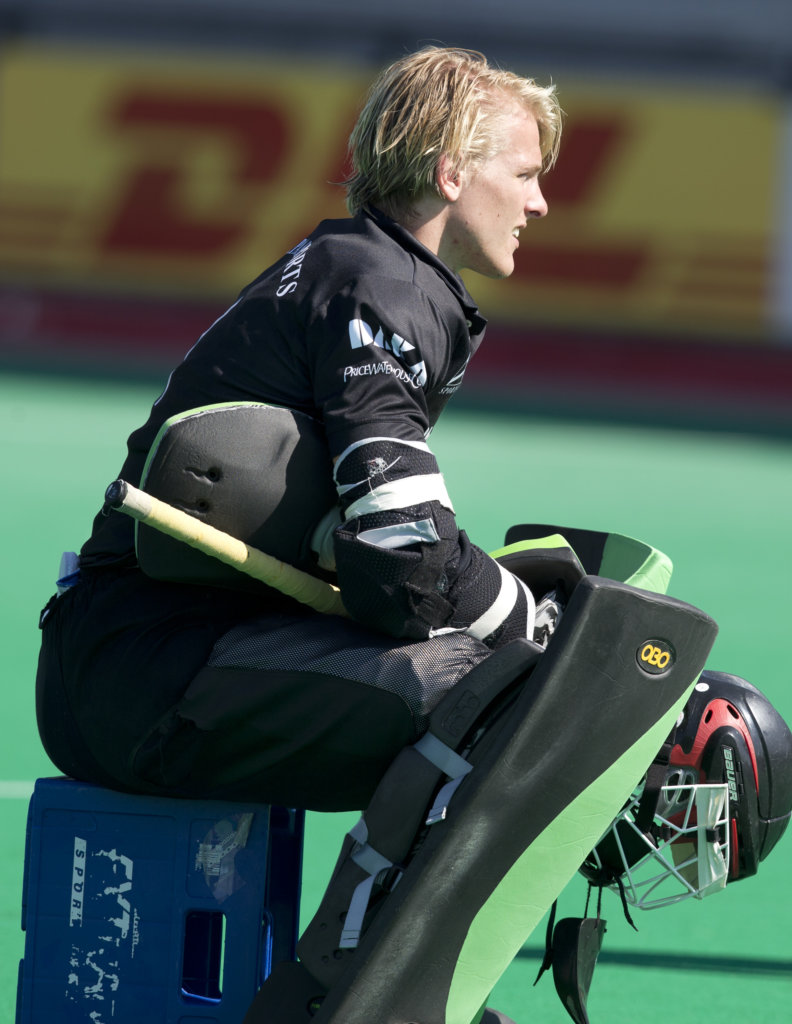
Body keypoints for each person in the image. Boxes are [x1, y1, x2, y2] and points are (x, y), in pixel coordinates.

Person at [36, 45, 563, 820]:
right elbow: (404, 556)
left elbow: (387, 558)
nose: (539, 203)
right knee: (509, 693)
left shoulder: (349, 263)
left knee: (489, 668)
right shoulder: (383, 292)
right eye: (524, 175)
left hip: (129, 664)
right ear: (451, 174)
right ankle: (379, 910)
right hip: (150, 682)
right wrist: (538, 623)